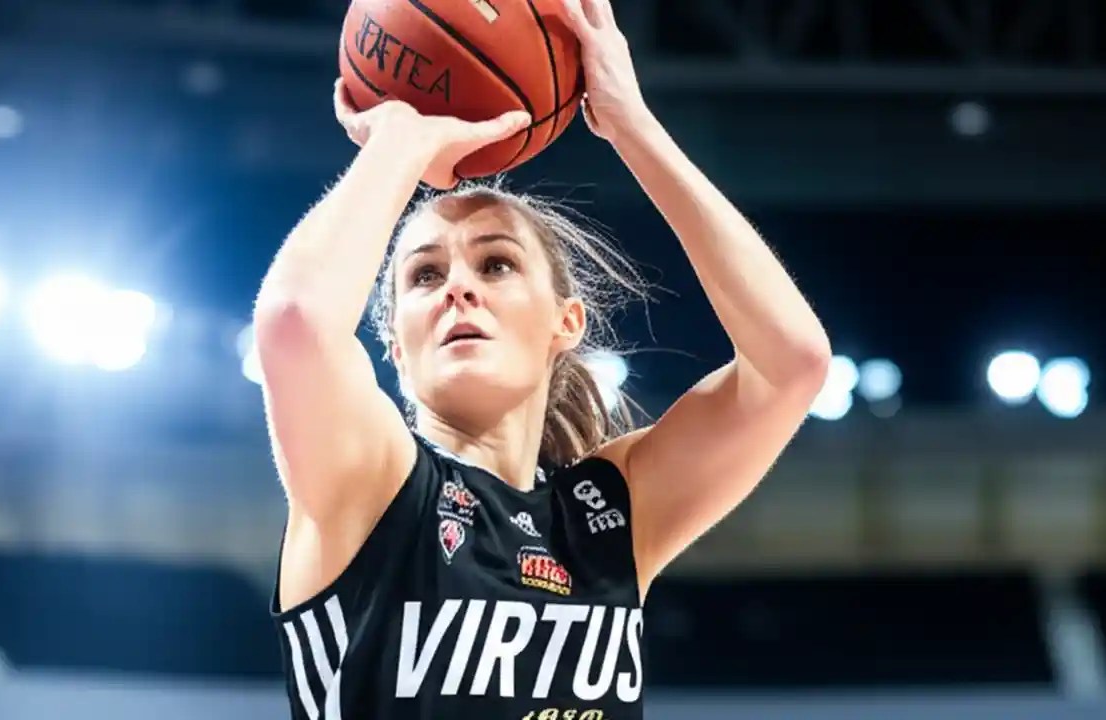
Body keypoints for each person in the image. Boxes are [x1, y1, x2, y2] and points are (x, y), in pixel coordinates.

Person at [255, 0, 831, 717]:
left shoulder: (606, 515)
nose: (458, 286)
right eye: (424, 276)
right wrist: (398, 142)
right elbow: (293, 324)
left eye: (495, 265)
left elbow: (793, 361)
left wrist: (633, 126)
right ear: (395, 345)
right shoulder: (371, 484)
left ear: (565, 323)